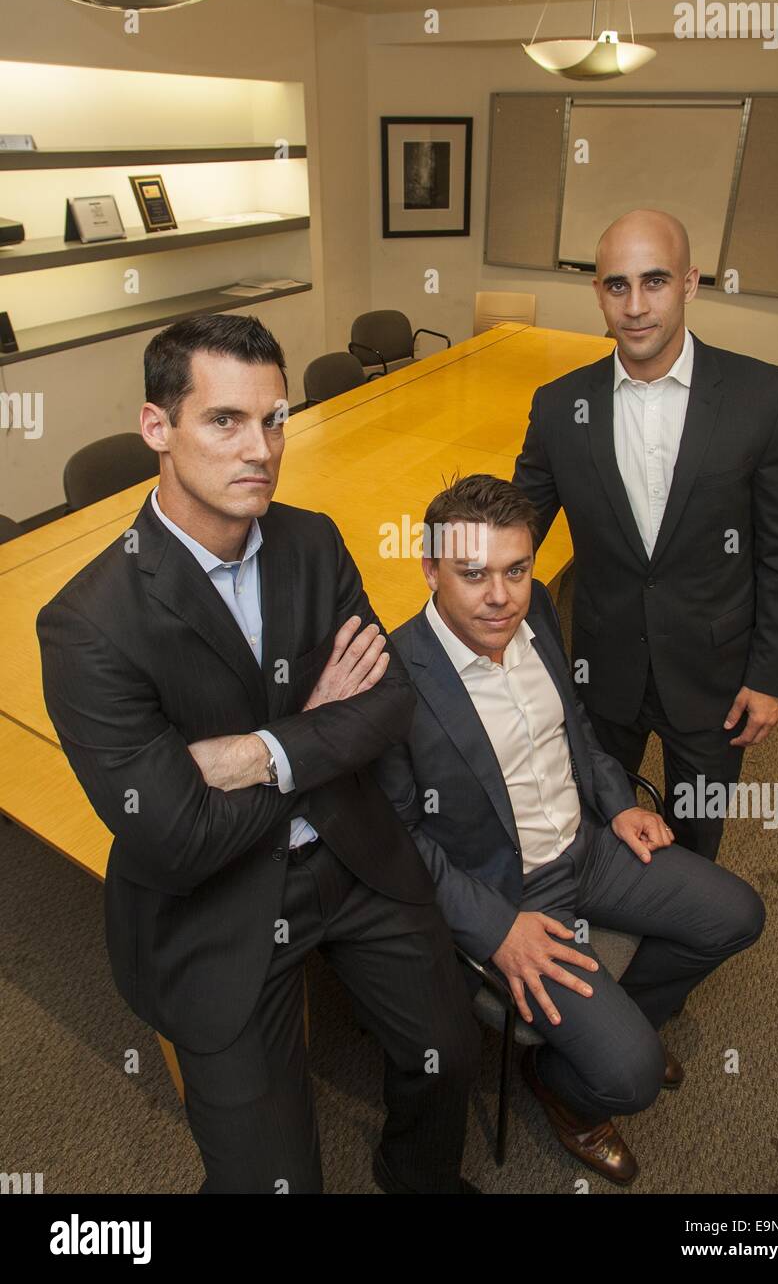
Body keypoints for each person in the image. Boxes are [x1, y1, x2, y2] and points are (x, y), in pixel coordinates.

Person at [36, 313, 480, 1195]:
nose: (261, 449)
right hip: (217, 902)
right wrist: (315, 729)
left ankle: (415, 1178)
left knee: (451, 1049)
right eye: (225, 420)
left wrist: (261, 750)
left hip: (350, 851)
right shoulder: (88, 624)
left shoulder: (311, 539)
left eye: (274, 418)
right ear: (157, 429)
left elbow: (390, 701)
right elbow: (176, 835)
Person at [373, 474, 765, 1185]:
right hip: (511, 895)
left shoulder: (539, 615)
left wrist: (616, 802)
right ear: (429, 569)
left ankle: (616, 1028)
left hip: (588, 845)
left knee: (738, 915)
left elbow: (574, 725)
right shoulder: (391, 681)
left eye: (516, 570)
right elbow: (399, 843)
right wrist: (496, 930)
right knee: (633, 1080)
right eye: (473, 575)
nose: (501, 597)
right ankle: (564, 1085)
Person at [512, 209, 778, 860]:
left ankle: (678, 948)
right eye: (616, 285)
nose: (636, 305)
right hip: (602, 666)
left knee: (695, 839)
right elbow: (517, 528)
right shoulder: (560, 406)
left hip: (715, 678)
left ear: (690, 283)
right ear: (598, 292)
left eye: (655, 281)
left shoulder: (763, 397)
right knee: (598, 821)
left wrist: (772, 676)